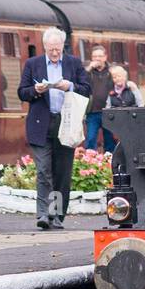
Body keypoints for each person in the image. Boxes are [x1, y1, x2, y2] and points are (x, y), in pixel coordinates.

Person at [18, 27, 91, 230]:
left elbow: (87, 89)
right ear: (45, 47)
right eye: (51, 49)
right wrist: (36, 90)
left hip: (66, 124)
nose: (55, 53)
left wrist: (70, 86)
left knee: (61, 173)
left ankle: (57, 215)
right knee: (43, 171)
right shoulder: (33, 64)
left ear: (62, 46)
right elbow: (22, 92)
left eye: (58, 49)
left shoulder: (73, 63)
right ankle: (43, 214)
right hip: (41, 124)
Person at [102, 64, 139, 150]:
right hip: (118, 122)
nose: (117, 79)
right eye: (114, 77)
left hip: (132, 120)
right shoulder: (111, 91)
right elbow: (108, 107)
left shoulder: (132, 87)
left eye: (119, 76)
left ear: (124, 76)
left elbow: (140, 103)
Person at [84, 45, 113, 152]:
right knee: (91, 139)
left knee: (110, 140)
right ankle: (90, 164)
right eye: (95, 56)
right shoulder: (88, 72)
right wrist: (89, 68)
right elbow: (81, 82)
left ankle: (111, 163)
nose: (97, 59)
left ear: (105, 57)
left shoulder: (111, 71)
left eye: (100, 56)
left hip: (109, 112)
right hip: (92, 111)